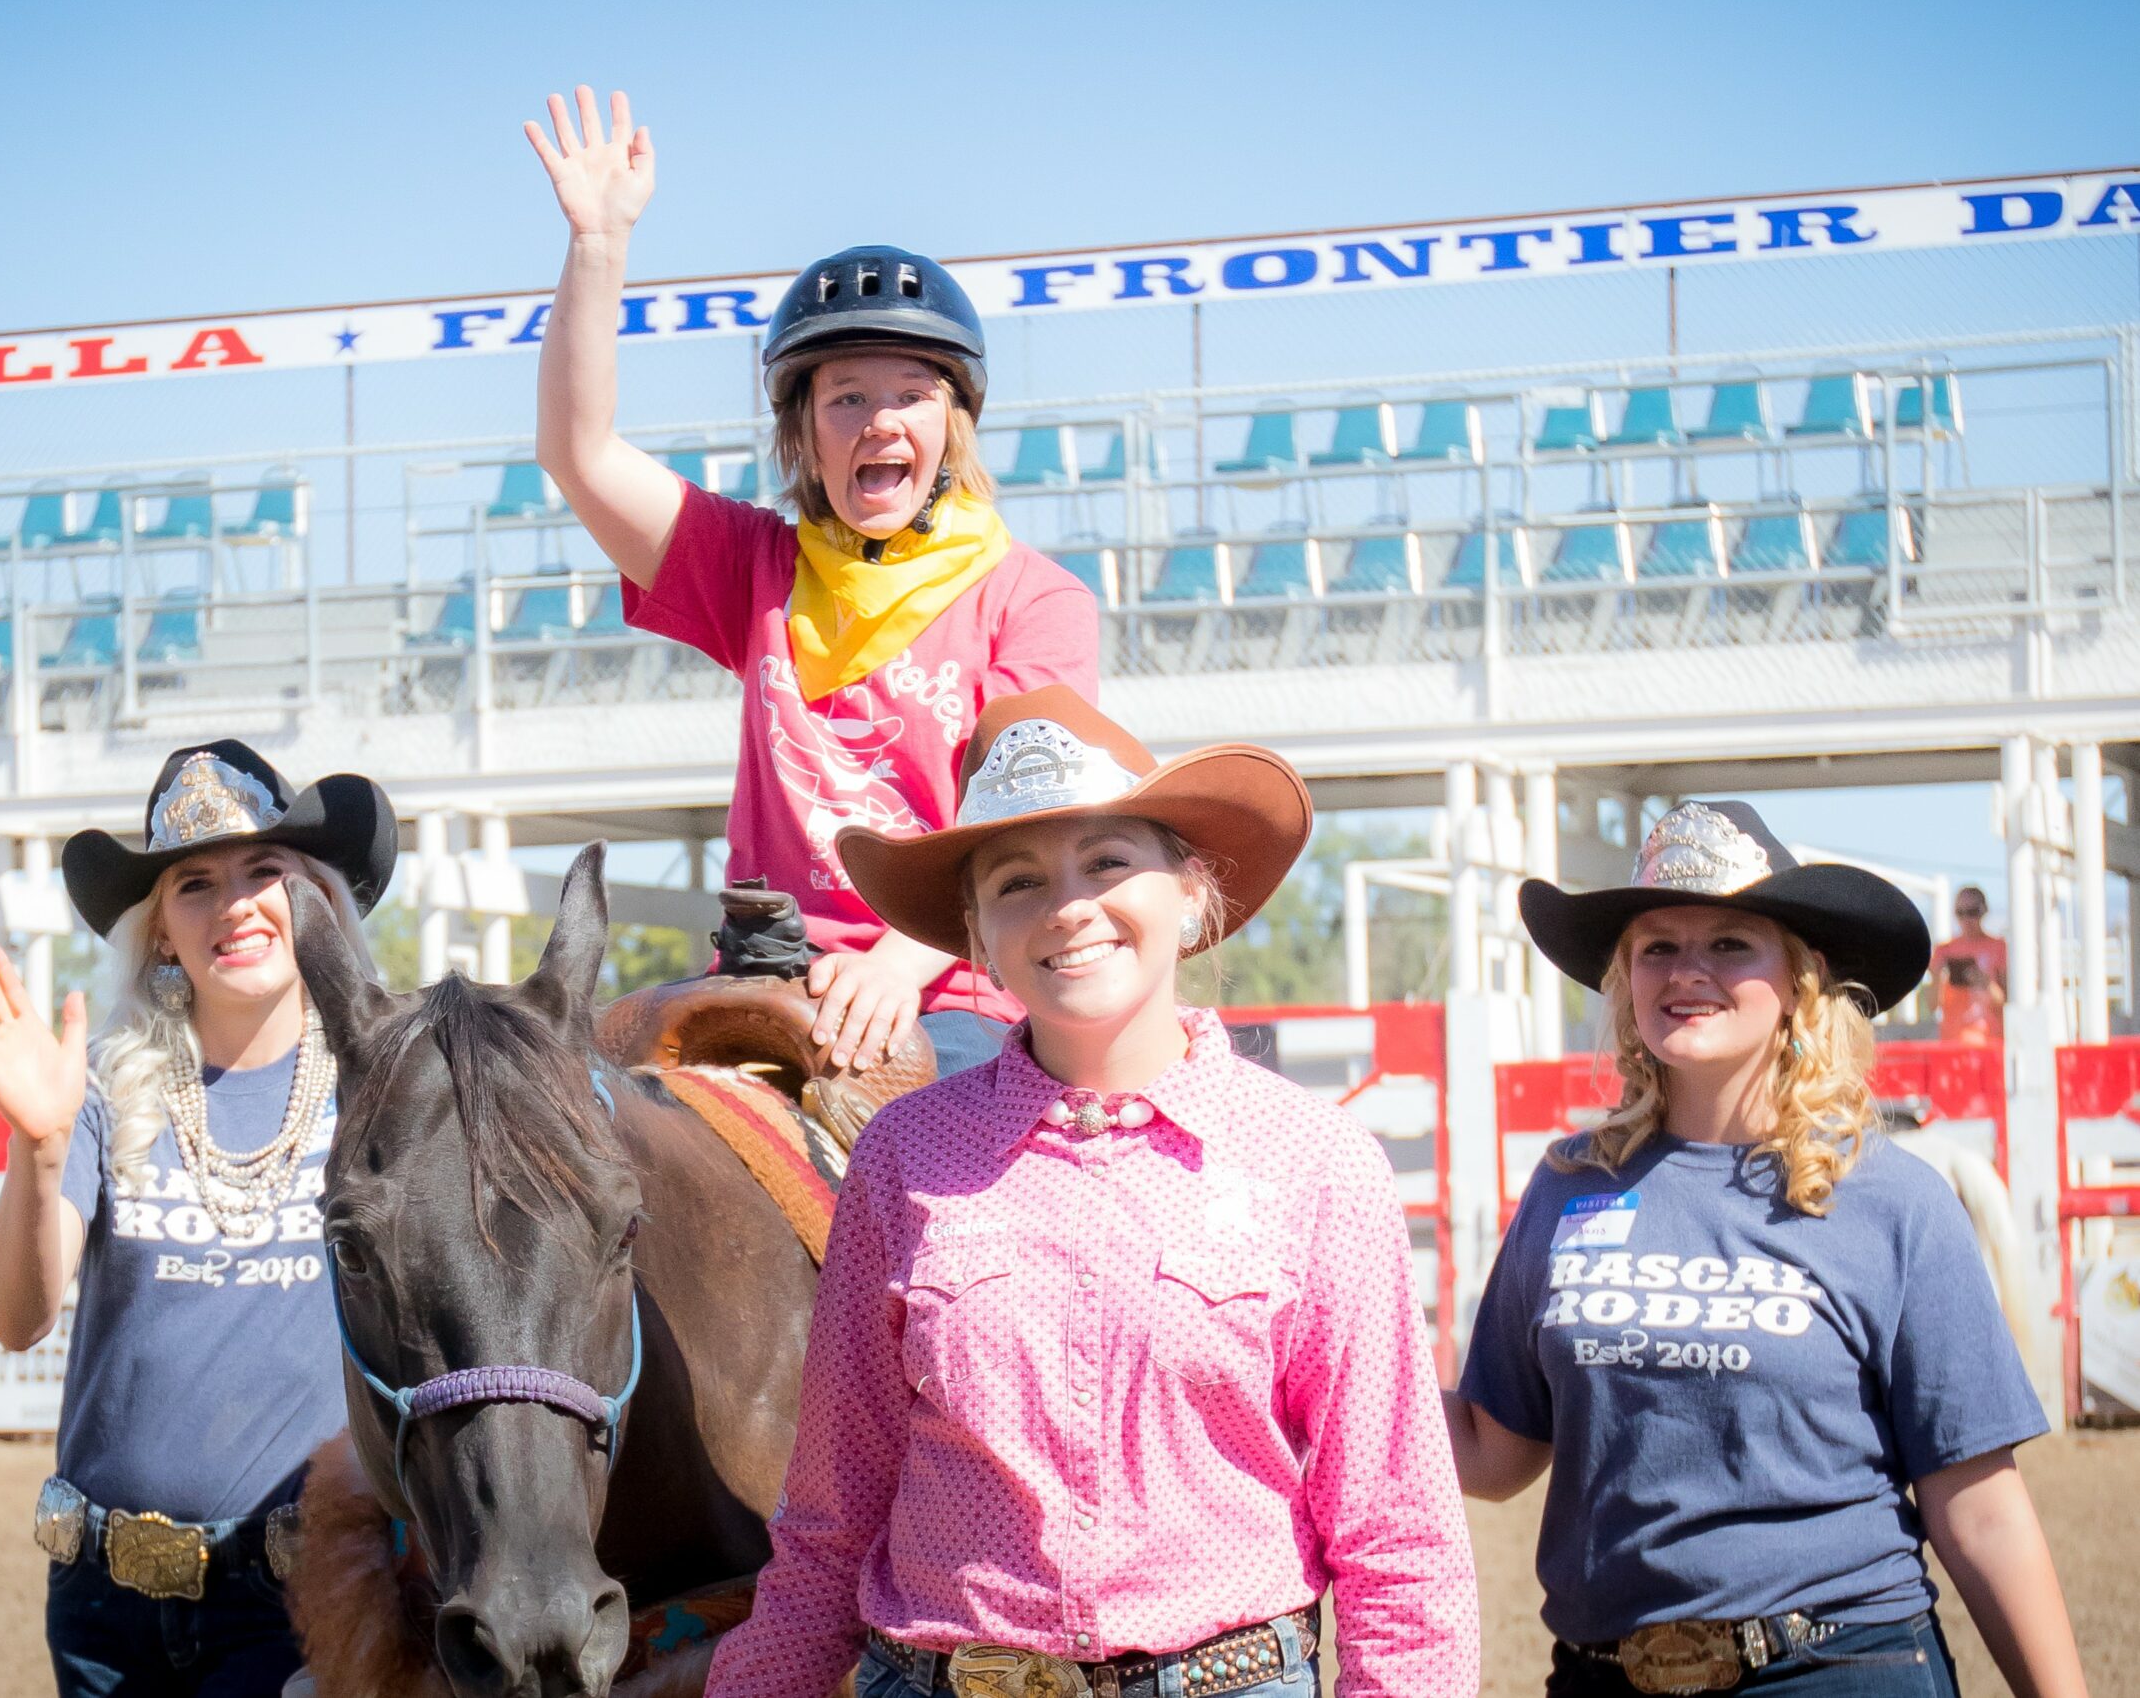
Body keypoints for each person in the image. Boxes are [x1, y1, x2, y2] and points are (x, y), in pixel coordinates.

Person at [704, 686, 1480, 1698]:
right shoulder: (903, 1157)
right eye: (1018, 880)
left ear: (1190, 892)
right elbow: (830, 1518)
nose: (1068, 906)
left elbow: (1398, 1532)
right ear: (977, 934)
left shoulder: (1316, 1162)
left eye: (1109, 862)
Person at [523, 87, 1101, 1080]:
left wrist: (897, 963)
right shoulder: (752, 566)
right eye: (847, 397)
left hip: (948, 984)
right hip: (757, 976)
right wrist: (599, 245)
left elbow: (1025, 817)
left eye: (911, 394)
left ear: (952, 424)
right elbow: (578, 453)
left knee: (935, 1146)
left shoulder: (1035, 599)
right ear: (804, 434)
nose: (881, 420)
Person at [1448, 801, 2086, 1697]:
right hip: (1602, 1675)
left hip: (1833, 1666)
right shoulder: (1567, 1186)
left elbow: (1980, 1510)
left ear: (1801, 979)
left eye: (1729, 944)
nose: (1687, 972)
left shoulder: (1893, 1202)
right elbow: (1494, 1450)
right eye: (1657, 947)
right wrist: (1310, 1382)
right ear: (1625, 977)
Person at [0, 739, 396, 1697]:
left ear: (315, 897)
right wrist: (41, 1148)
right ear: (159, 934)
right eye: (195, 884)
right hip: (103, 1608)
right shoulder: (102, 1090)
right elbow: (16, 1320)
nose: (235, 905)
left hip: (297, 1597)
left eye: (263, 871)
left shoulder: (385, 1091)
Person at [1930, 885, 2007, 1047]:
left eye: (1972, 912)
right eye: (1960, 913)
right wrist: (1936, 975)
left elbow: (2007, 1002)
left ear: (1983, 911)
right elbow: (1932, 1005)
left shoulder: (1999, 947)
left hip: (1990, 1041)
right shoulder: (1944, 950)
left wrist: (1986, 983)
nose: (1966, 919)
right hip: (1953, 1042)